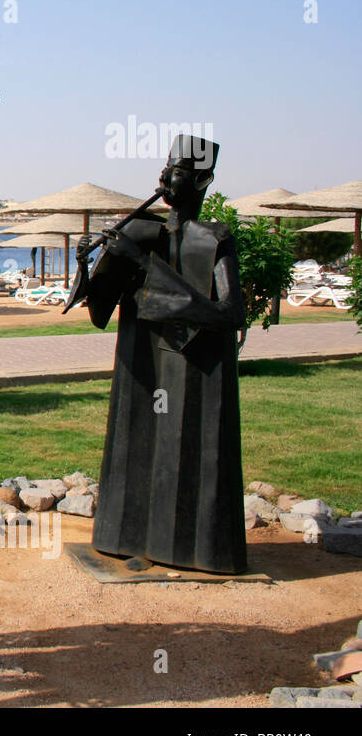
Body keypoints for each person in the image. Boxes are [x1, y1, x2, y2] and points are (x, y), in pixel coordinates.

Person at [73, 135, 246, 574]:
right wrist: (87, 265)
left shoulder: (214, 239)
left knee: (187, 449)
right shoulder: (141, 229)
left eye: (179, 172)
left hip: (197, 372)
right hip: (142, 362)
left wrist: (145, 263)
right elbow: (97, 311)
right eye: (166, 169)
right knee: (136, 445)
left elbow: (229, 314)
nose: (166, 178)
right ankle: (125, 536)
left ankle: (196, 548)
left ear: (204, 180)